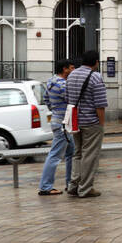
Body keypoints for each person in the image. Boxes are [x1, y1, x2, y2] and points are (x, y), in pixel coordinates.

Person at [65, 49, 107, 198]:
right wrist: (101, 124)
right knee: (90, 155)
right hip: (91, 122)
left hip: (76, 121)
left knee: (77, 153)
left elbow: (68, 99)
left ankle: (74, 185)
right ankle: (85, 188)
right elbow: (100, 105)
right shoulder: (96, 77)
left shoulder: (71, 75)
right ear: (96, 62)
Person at [37, 59, 75, 196]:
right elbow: (72, 100)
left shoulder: (51, 82)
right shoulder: (63, 84)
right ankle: (45, 187)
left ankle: (71, 183)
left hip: (57, 121)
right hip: (63, 124)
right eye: (72, 68)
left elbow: (46, 100)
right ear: (65, 69)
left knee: (72, 153)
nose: (73, 70)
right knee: (55, 155)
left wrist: (56, 111)